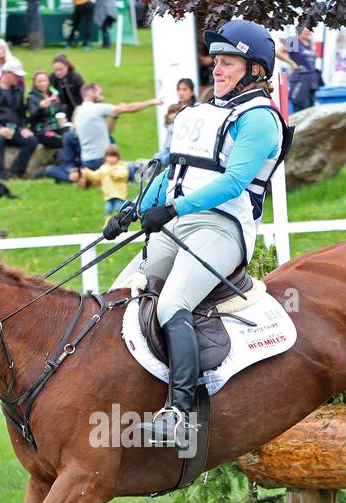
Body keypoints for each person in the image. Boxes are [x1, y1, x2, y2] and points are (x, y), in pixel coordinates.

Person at [108, 19, 289, 448]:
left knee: (173, 302)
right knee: (120, 297)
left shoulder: (260, 119)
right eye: (217, 61)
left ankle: (181, 415)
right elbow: (176, 169)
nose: (217, 69)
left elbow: (232, 183)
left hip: (222, 228)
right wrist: (134, 209)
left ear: (256, 70)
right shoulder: (202, 114)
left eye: (228, 62)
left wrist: (172, 209)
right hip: (178, 223)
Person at [73, 82, 162, 169]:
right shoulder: (96, 108)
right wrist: (151, 102)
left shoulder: (79, 111)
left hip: (87, 161)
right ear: (91, 93)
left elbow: (108, 132)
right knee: (136, 168)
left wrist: (114, 116)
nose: (102, 97)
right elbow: (128, 108)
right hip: (100, 161)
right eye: (100, 93)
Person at [0, 63, 37, 179]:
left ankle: (16, 172)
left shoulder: (18, 90)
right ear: (7, 73)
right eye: (17, 75)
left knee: (31, 140)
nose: (19, 78)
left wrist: (23, 127)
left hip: (13, 128)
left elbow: (21, 112)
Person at [77, 143, 129, 220]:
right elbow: (96, 175)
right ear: (105, 157)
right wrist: (87, 173)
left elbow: (123, 174)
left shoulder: (121, 166)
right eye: (109, 156)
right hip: (108, 194)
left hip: (119, 193)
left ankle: (121, 221)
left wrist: (112, 172)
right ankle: (107, 222)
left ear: (118, 157)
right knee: (108, 209)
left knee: (119, 208)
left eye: (114, 156)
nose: (111, 158)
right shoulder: (103, 168)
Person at [279, 23, 322, 112]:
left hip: (311, 81)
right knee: (299, 107)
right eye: (305, 29)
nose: (308, 31)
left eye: (309, 29)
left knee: (310, 110)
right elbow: (278, 52)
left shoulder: (310, 43)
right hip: (299, 80)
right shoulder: (294, 41)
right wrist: (291, 63)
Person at [157, 78, 196, 163]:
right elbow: (166, 125)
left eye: (184, 90)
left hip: (186, 148)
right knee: (156, 159)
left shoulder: (196, 108)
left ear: (192, 92)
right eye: (179, 89)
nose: (181, 92)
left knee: (164, 160)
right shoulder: (174, 107)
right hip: (169, 146)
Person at [27, 71, 68, 150]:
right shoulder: (32, 98)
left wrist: (63, 115)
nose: (42, 83)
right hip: (43, 129)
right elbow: (32, 119)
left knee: (72, 136)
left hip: (57, 126)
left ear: (48, 81)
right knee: (64, 141)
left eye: (44, 81)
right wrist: (40, 108)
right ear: (35, 84)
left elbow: (60, 110)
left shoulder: (54, 94)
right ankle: (62, 160)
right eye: (39, 81)